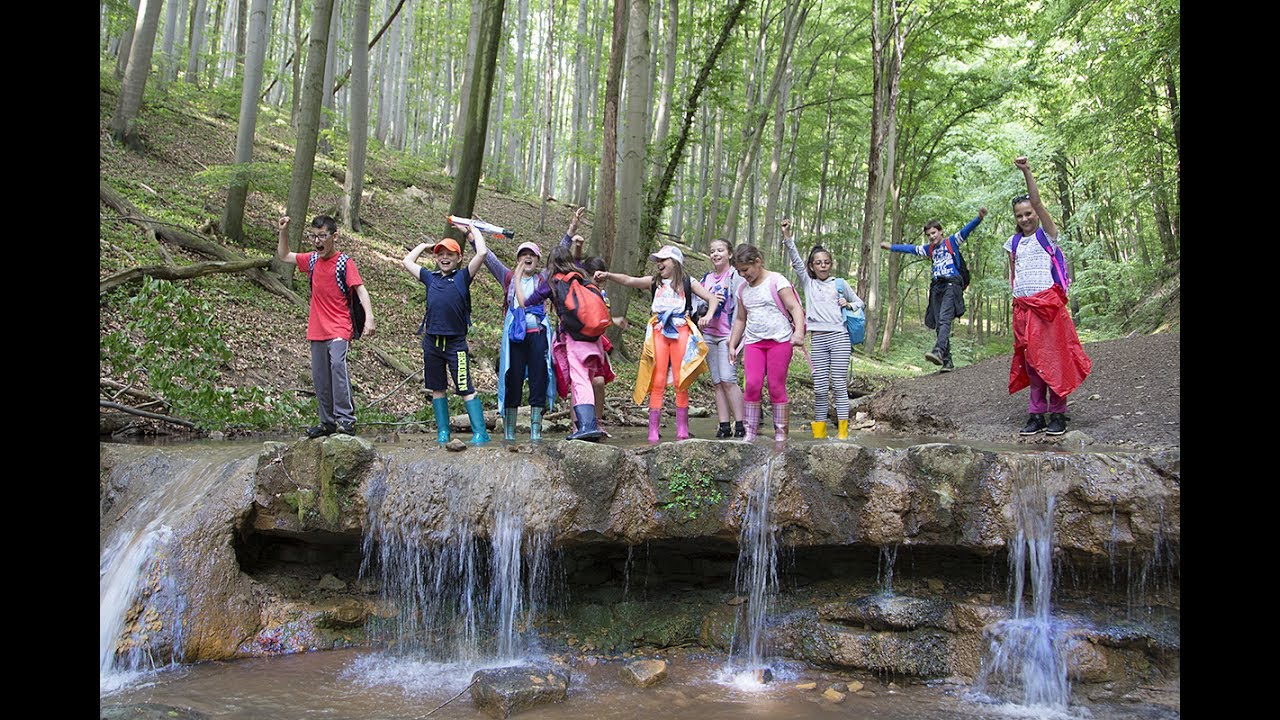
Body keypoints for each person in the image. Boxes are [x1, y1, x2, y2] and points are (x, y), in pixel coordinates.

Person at [594, 245, 719, 443]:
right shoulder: (654, 282)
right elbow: (629, 280)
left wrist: (709, 315)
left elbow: (711, 298)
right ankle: (653, 429)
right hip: (659, 332)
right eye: (658, 260)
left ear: (675, 262)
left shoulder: (688, 282)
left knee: (681, 378)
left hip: (681, 331)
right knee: (658, 378)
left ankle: (682, 429)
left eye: (664, 260)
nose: (659, 264)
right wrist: (608, 275)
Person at [1006, 156, 1092, 436]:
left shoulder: (1048, 235)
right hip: (1024, 309)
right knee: (1032, 364)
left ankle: (1058, 413)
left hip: (1048, 307)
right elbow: (1013, 273)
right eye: (1019, 215)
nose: (1025, 218)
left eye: (1028, 213)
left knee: (1053, 359)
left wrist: (1027, 172)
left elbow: (1039, 203)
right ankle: (1036, 414)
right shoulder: (1014, 242)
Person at [276, 215, 376, 438]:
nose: (317, 241)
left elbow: (360, 290)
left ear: (334, 236)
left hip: (340, 326)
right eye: (313, 236)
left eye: (322, 236)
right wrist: (283, 231)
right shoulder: (311, 260)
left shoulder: (344, 263)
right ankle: (327, 422)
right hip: (317, 328)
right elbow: (284, 255)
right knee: (320, 375)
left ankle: (346, 420)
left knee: (337, 367)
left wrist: (369, 317)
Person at [401, 222, 491, 444]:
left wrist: (473, 231)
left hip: (455, 345)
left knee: (465, 387)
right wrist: (423, 246)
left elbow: (482, 252)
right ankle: (443, 431)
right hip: (432, 343)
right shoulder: (430, 278)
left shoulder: (462, 277)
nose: (444, 257)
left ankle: (480, 432)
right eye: (440, 253)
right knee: (437, 388)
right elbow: (406, 261)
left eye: (449, 254)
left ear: (458, 258)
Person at [782, 219, 864, 440]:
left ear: (831, 264)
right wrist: (788, 237)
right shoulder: (809, 284)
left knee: (838, 384)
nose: (823, 265)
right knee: (819, 387)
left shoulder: (840, 284)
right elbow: (797, 262)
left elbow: (860, 303)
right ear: (812, 266)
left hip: (840, 338)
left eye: (826, 262)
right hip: (817, 339)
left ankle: (843, 433)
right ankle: (819, 434)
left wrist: (849, 305)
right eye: (818, 262)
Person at [881, 207, 987, 371]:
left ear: (940, 232)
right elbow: (910, 249)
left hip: (952, 283)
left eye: (934, 233)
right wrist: (891, 247)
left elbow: (966, 230)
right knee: (938, 323)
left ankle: (938, 351)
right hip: (937, 286)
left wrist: (978, 218)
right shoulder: (929, 249)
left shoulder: (952, 242)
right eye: (929, 235)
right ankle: (947, 361)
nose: (931, 237)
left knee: (945, 319)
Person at [727, 243, 806, 443]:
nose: (743, 275)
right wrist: (732, 344)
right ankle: (750, 432)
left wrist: (798, 332)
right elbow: (740, 319)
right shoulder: (742, 289)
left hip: (779, 341)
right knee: (752, 384)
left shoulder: (777, 281)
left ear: (758, 262)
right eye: (739, 271)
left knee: (775, 386)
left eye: (745, 270)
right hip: (754, 342)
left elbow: (795, 307)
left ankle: (781, 434)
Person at [481, 239, 556, 442]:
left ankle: (535, 431)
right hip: (515, 337)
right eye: (523, 254)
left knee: (539, 378)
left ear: (538, 259)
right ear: (517, 259)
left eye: (531, 254)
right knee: (512, 379)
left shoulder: (542, 279)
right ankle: (509, 432)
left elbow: (559, 257)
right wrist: (472, 235)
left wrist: (572, 230)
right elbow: (489, 258)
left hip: (537, 335)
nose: (527, 258)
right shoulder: (508, 278)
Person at [546, 245, 615, 441]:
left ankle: (588, 424)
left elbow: (531, 298)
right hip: (594, 340)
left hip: (578, 340)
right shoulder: (583, 280)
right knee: (585, 380)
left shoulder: (558, 282)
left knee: (581, 380)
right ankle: (582, 425)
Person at [698, 238, 747, 438]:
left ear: (729, 254)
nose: (715, 254)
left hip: (729, 336)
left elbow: (743, 310)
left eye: (720, 250)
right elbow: (696, 306)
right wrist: (707, 304)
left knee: (728, 378)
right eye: (712, 251)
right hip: (709, 334)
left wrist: (736, 340)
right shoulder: (706, 279)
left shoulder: (736, 277)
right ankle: (724, 425)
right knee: (717, 381)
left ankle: (742, 423)